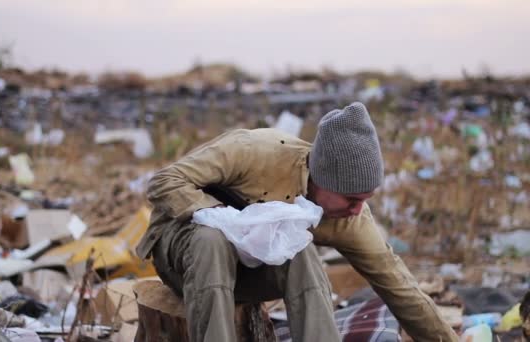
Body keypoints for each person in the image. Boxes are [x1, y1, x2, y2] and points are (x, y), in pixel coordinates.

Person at [137, 102, 457, 341]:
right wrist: (223, 217)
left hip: (244, 278)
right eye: (351, 199)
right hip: (183, 257)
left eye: (366, 199)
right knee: (212, 240)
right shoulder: (254, 151)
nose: (358, 210)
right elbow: (165, 181)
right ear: (322, 179)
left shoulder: (351, 219)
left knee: (299, 249)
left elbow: (401, 288)